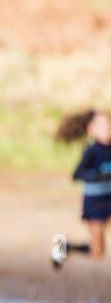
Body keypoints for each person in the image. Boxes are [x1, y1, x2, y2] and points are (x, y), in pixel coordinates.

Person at [52, 109, 111, 267]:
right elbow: (77, 174)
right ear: (91, 130)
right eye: (102, 125)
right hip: (95, 203)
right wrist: (97, 176)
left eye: (108, 124)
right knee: (98, 252)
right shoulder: (91, 151)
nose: (107, 128)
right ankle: (65, 247)